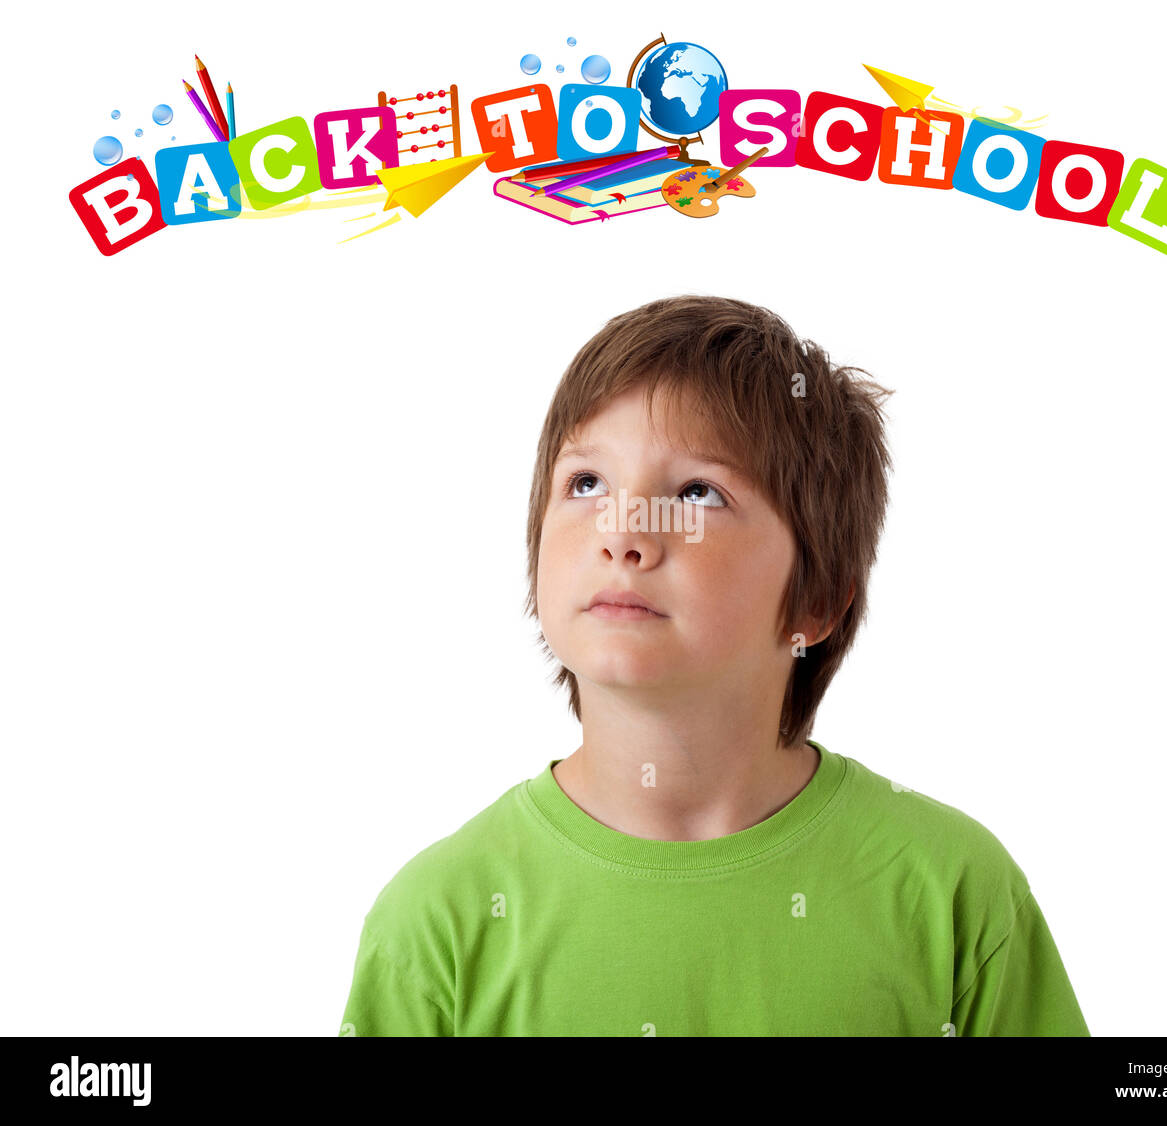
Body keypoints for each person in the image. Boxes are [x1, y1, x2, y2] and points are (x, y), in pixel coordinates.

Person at [338, 294, 1089, 1036]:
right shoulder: (434, 922)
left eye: (697, 493)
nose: (623, 533)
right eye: (587, 484)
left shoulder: (951, 891)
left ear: (816, 602)